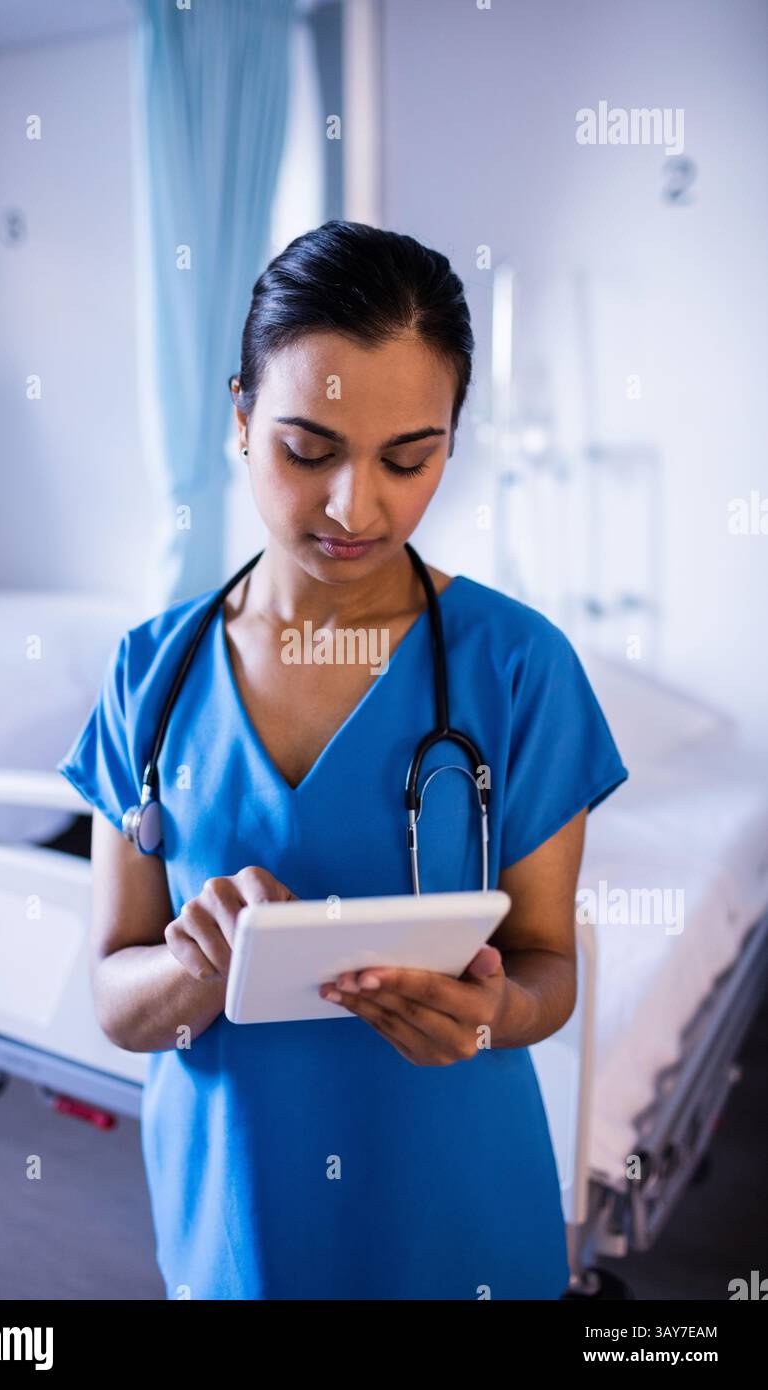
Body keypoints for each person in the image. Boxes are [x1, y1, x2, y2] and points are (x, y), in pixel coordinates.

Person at [57, 220, 629, 1300]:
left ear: (449, 444)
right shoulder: (151, 673)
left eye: (407, 459)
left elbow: (549, 968)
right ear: (239, 419)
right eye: (307, 449)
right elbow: (115, 999)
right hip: (239, 1229)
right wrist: (194, 970)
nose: (352, 506)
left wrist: (490, 1012)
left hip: (458, 1221)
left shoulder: (519, 669)